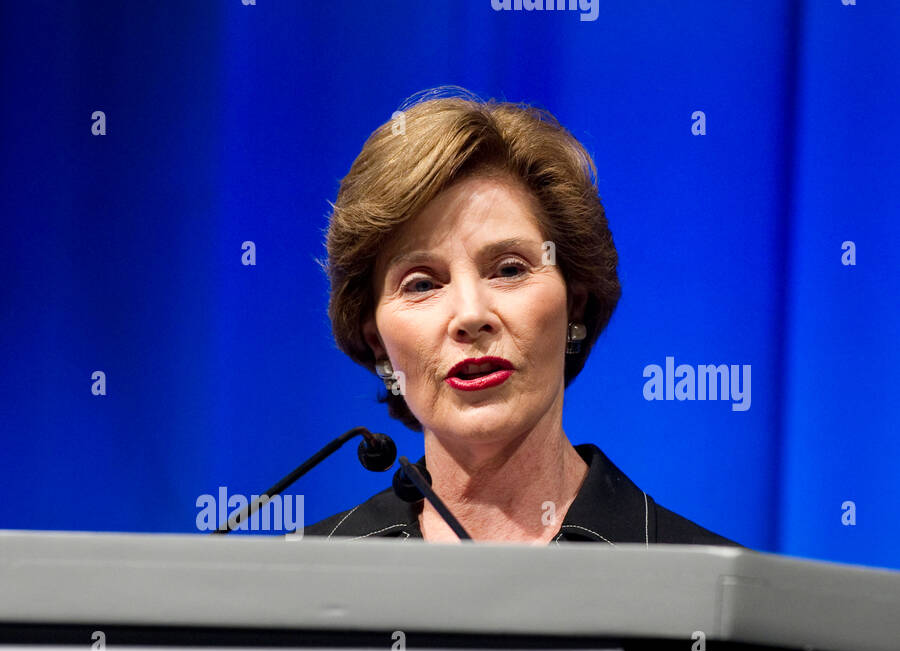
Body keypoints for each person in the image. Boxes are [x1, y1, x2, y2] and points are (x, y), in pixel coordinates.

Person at [305, 90, 737, 546]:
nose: (470, 316)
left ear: (577, 305)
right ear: (377, 343)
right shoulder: (294, 592)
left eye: (509, 270)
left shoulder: (712, 592)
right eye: (422, 284)